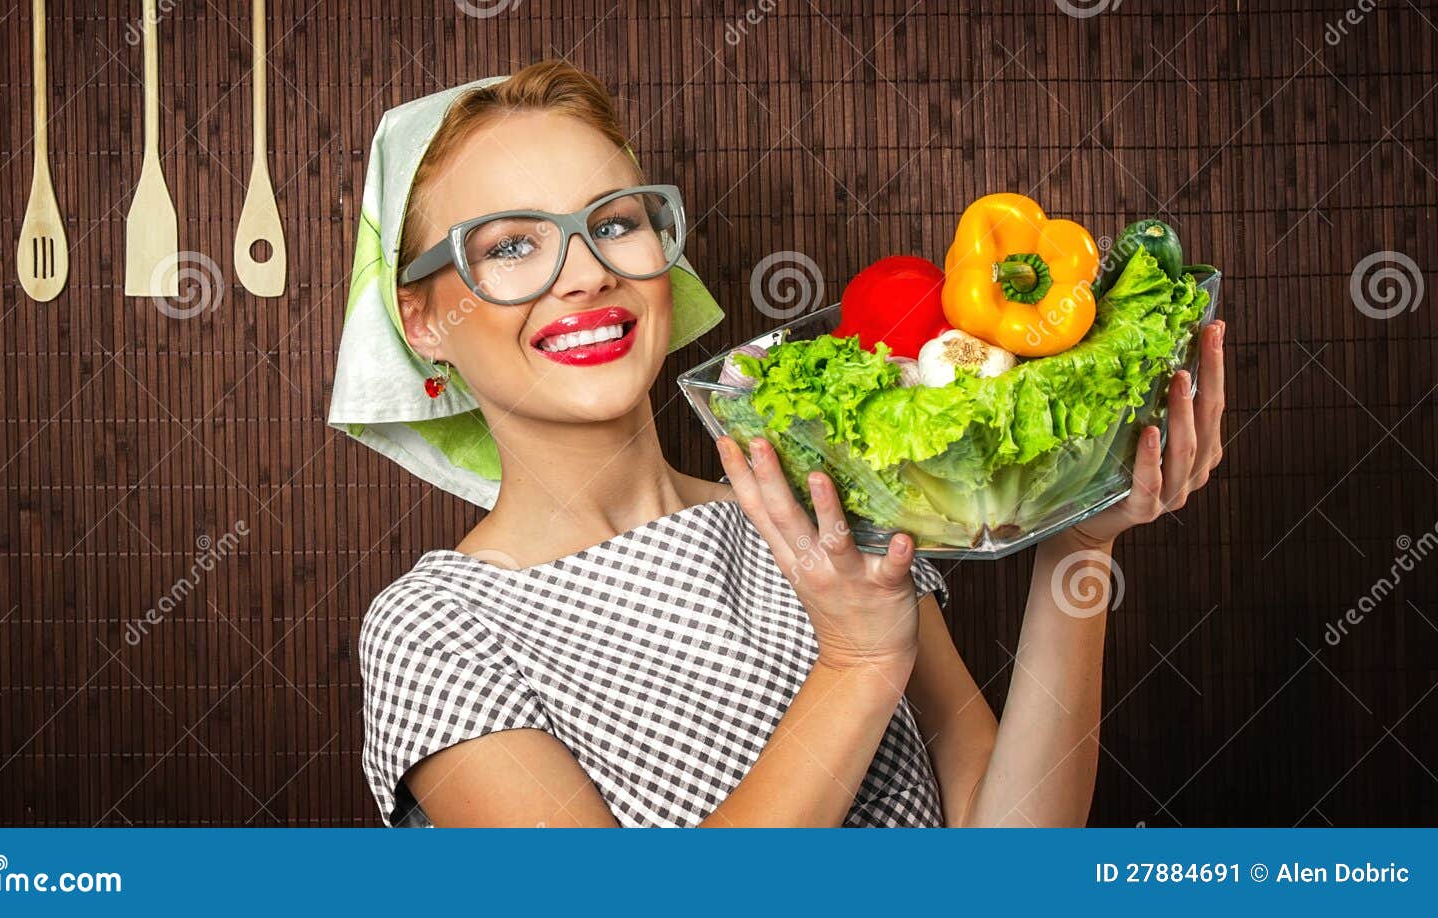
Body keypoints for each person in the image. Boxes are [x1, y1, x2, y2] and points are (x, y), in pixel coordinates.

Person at [328, 60, 1227, 827]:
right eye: (512, 245)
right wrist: (859, 659)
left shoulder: (823, 500)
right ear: (422, 320)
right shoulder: (438, 629)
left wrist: (1076, 539)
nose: (591, 271)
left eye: (612, 223)